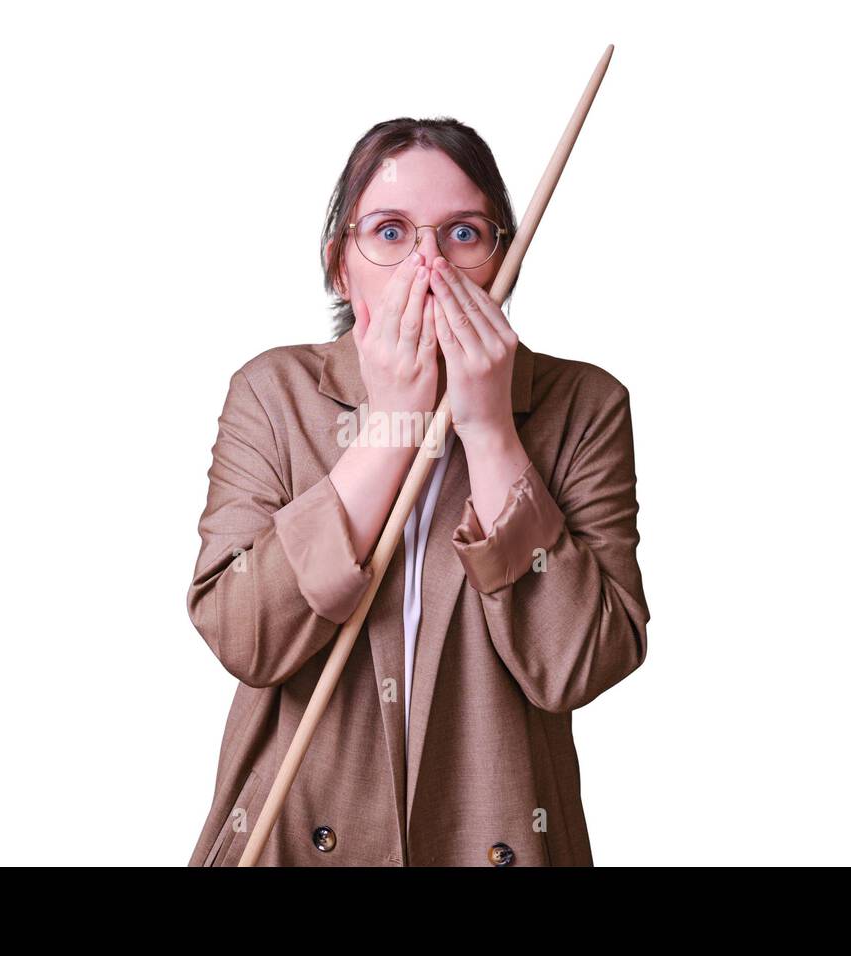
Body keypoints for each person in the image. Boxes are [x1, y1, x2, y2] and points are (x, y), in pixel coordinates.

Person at [186, 117, 649, 866]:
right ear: (342, 265)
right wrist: (392, 426)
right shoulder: (272, 393)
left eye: (463, 234)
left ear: (507, 261)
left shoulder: (583, 405)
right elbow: (244, 637)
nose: (427, 263)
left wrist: (493, 432)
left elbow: (580, 665)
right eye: (392, 233)